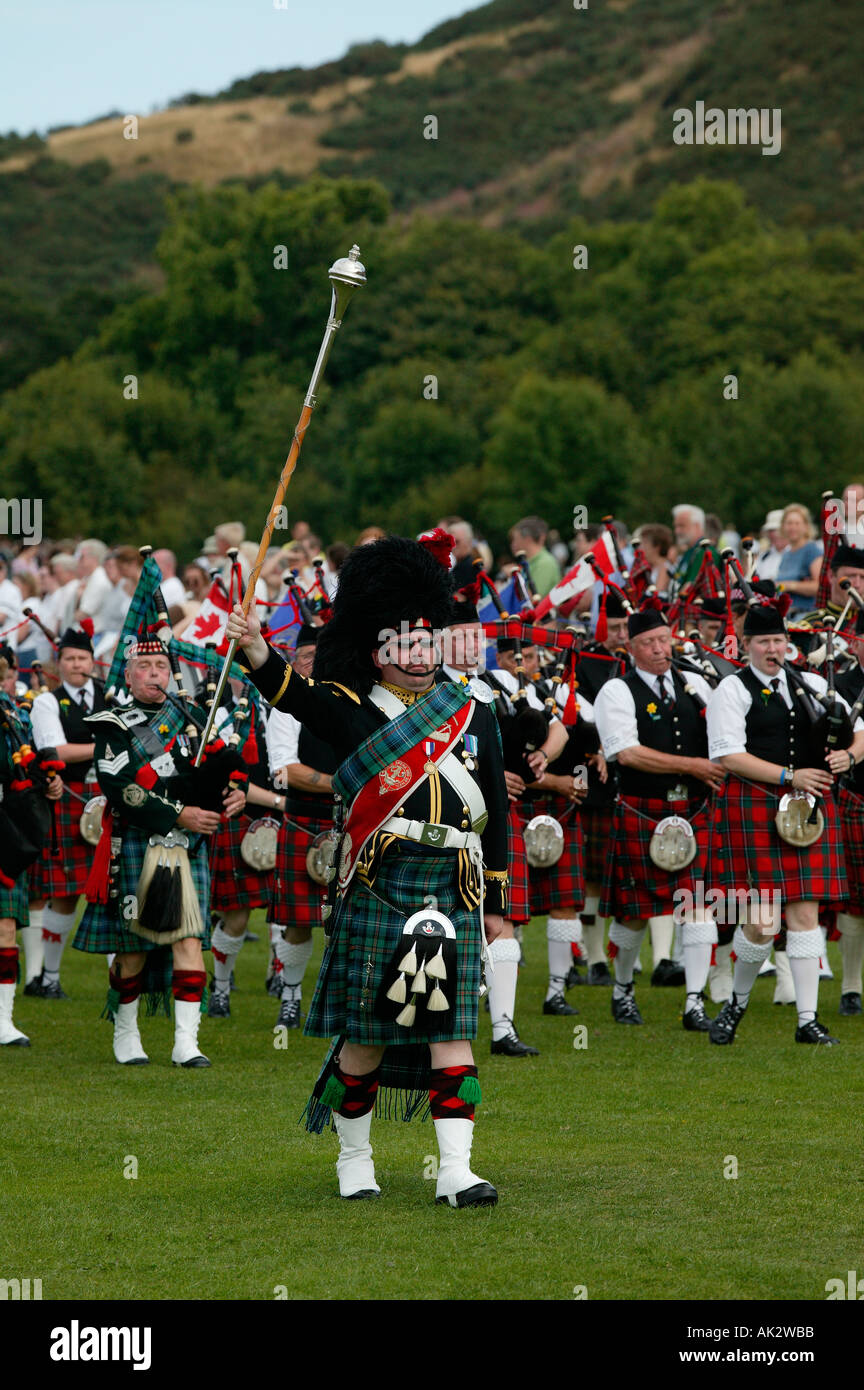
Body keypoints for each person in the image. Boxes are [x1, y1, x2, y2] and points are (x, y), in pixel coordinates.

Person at [226, 533, 509, 1209]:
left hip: (455, 881)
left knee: (450, 1028)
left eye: (426, 642)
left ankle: (455, 1170)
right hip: (384, 879)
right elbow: (294, 695)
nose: (417, 656)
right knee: (367, 1037)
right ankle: (355, 1158)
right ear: (377, 650)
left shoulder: (474, 710)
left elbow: (496, 809)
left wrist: (497, 898)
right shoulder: (352, 709)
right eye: (402, 645)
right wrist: (257, 648)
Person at [74, 636, 246, 1065]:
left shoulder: (195, 719)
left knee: (189, 940)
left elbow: (214, 772)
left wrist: (233, 792)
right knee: (133, 947)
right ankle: (127, 1032)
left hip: (189, 846)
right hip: (139, 840)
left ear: (171, 674)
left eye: (161, 667)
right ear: (129, 676)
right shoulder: (113, 723)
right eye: (145, 666)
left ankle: (186, 1043)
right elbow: (120, 786)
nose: (154, 673)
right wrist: (178, 814)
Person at [706, 601, 864, 1046]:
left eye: (779, 640)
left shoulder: (811, 684)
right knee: (761, 922)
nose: (773, 649)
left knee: (805, 915)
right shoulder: (732, 691)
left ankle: (807, 1020)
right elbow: (728, 755)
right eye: (763, 642)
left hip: (808, 810)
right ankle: (737, 1002)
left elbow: (859, 730)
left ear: (788, 644)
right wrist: (789, 776)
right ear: (746, 646)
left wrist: (847, 756)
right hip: (756, 805)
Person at [594, 608, 723, 1029]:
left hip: (694, 809)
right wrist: (692, 766)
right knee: (633, 911)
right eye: (649, 642)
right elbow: (626, 753)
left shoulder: (696, 683)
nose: (659, 649)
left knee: (700, 904)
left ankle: (694, 1002)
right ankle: (623, 989)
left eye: (664, 640)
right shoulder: (617, 690)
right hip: (641, 810)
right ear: (630, 648)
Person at [264, 625, 338, 1029]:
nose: (315, 663)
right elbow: (283, 771)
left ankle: (339, 1001)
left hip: (352, 822)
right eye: (307, 656)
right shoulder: (286, 708)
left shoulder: (349, 701)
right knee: (298, 921)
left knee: (350, 918)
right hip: (306, 821)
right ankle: (290, 995)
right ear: (293, 661)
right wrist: (340, 782)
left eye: (321, 655)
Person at [28, 621, 108, 998]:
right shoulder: (47, 701)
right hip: (70, 796)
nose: (78, 665)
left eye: (83, 658)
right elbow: (54, 752)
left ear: (93, 661)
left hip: (110, 798)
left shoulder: (112, 696)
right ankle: (50, 976)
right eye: (71, 658)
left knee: (113, 886)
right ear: (58, 664)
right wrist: (104, 748)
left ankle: (120, 981)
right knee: (64, 892)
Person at [207, 678, 280, 1019]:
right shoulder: (214, 711)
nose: (248, 677)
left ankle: (281, 979)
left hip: (278, 817)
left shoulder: (280, 711)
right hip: (234, 816)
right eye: (240, 669)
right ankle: (220, 987)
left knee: (286, 911)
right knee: (235, 915)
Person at [0, 656, 63, 1045]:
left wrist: (47, 783)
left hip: (5, 828)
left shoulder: (12, 714)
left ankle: (3, 1020)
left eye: (5, 670)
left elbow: (28, 762)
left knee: (6, 925)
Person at [775, 505, 822, 617]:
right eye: (789, 523)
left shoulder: (812, 550)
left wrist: (789, 586)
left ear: (806, 527)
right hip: (786, 616)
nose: (792, 527)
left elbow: (820, 586)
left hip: (805, 615)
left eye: (797, 523)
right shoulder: (786, 554)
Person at [668, 506, 720, 598]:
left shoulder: (704, 551)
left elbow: (689, 591)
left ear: (697, 526)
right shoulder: (690, 551)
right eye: (675, 526)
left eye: (681, 526)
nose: (676, 531)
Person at [508, 517, 561, 598]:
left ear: (527, 539)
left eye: (515, 539)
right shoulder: (529, 562)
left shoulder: (544, 563)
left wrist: (511, 577)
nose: (513, 544)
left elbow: (531, 599)